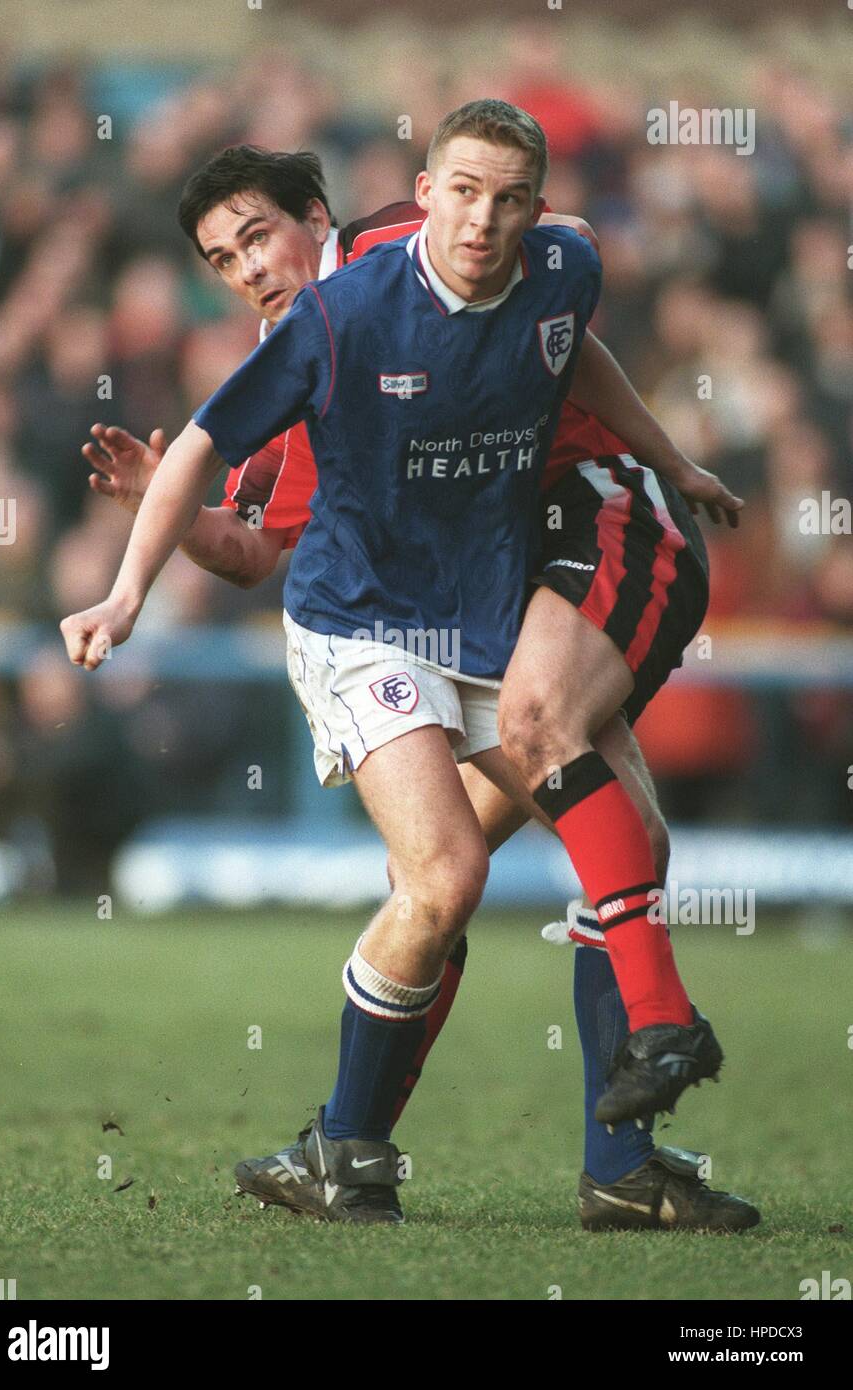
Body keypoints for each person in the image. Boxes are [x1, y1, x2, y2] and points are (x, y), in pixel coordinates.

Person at [63, 102, 753, 1229]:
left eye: (256, 238)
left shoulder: (430, 236)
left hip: (502, 594)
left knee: (606, 846)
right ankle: (356, 1144)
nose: (245, 270)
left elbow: (563, 315)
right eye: (220, 260)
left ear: (320, 218)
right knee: (445, 877)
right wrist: (143, 555)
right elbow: (244, 542)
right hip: (369, 626)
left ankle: (591, 1164)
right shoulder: (317, 340)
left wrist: (663, 452)